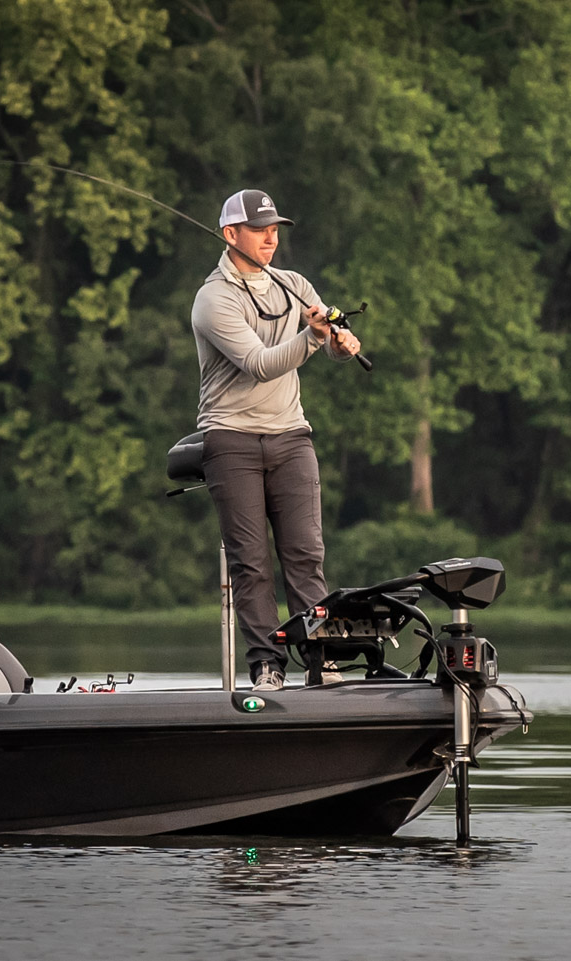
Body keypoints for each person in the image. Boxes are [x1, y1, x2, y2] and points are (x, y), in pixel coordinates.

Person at [191, 189, 360, 692]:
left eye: (275, 229)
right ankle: (268, 665)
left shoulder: (295, 284)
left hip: (291, 437)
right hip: (231, 439)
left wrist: (340, 342)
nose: (271, 238)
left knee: (306, 555)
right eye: (260, 230)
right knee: (251, 562)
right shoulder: (213, 299)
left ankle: (320, 660)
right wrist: (313, 336)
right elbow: (259, 364)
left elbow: (327, 345)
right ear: (230, 235)